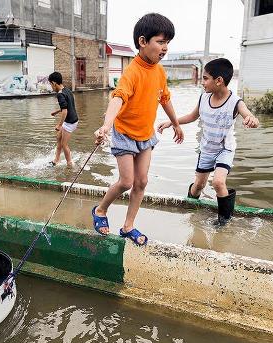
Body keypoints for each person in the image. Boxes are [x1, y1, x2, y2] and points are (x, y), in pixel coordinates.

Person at [92, 13, 184, 246]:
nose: (165, 48)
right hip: (124, 133)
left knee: (141, 182)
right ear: (143, 42)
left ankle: (128, 226)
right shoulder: (132, 71)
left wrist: (176, 123)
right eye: (160, 42)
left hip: (146, 135)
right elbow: (118, 98)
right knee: (126, 182)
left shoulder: (160, 72)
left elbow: (165, 99)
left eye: (168, 43)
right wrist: (106, 125)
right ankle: (101, 210)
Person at [157, 58, 259, 226]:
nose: (202, 82)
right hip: (206, 149)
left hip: (225, 149)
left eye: (205, 78)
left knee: (218, 182)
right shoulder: (203, 98)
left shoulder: (235, 101)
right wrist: (172, 122)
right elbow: (192, 116)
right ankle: (190, 209)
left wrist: (252, 120)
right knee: (198, 186)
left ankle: (224, 221)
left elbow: (248, 114)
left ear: (218, 81)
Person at [49, 71, 78, 167]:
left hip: (70, 122)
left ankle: (70, 164)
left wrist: (59, 125)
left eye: (50, 84)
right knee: (59, 138)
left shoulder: (60, 94)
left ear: (54, 83)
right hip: (72, 119)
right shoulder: (67, 90)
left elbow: (65, 111)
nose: (51, 87)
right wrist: (56, 112)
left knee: (64, 144)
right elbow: (67, 106)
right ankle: (56, 160)